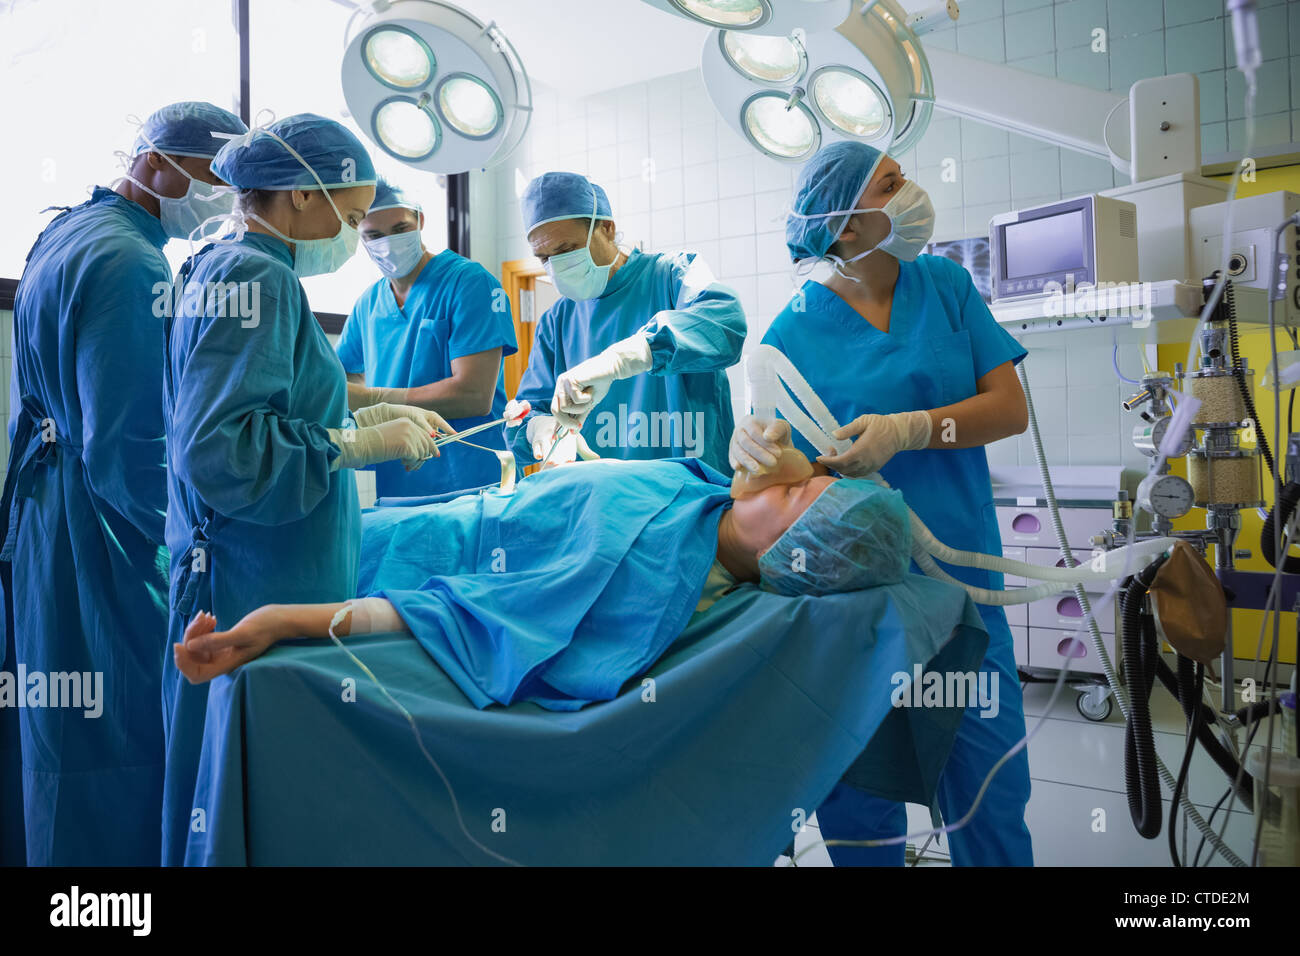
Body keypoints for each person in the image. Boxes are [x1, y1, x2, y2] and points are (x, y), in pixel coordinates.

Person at [731, 140, 1034, 866]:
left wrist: (914, 429)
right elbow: (791, 480)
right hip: (855, 601)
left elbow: (1008, 409)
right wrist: (757, 456)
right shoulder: (788, 337)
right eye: (891, 184)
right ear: (845, 227)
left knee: (988, 783)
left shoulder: (946, 286)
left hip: (964, 592)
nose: (913, 193)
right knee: (858, 800)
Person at [160, 113, 451, 865]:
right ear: (297, 198)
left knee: (234, 785)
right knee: (253, 793)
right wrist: (352, 444)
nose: (355, 236)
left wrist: (366, 411)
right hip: (258, 571)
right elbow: (219, 448)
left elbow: (270, 399)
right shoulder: (259, 274)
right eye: (350, 217)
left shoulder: (220, 262)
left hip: (249, 562)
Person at [0, 101, 247, 866]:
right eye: (215, 177)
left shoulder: (69, 230)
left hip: (46, 511)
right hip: (92, 531)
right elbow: (130, 449)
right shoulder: (132, 263)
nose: (223, 198)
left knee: (56, 732)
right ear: (156, 162)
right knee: (116, 735)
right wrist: (189, 551)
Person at [171, 457, 912, 711]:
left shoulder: (654, 585)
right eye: (808, 476)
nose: (786, 478)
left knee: (186, 582)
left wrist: (280, 621)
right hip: (433, 510)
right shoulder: (705, 492)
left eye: (792, 497)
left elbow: (474, 616)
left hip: (406, 551)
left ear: (790, 556)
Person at [510, 172, 746, 473]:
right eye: (544, 258)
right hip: (597, 502)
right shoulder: (556, 322)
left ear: (607, 228)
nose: (555, 267)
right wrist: (537, 428)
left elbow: (725, 324)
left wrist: (628, 356)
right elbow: (527, 412)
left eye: (567, 250)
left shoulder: (672, 274)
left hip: (690, 497)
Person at [338, 178, 519, 497]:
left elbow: (474, 395)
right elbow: (342, 381)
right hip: (396, 476)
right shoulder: (368, 303)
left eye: (399, 228)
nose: (389, 243)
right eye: (374, 236)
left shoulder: (469, 283)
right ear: (359, 235)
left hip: (466, 477)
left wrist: (375, 401)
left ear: (419, 220)